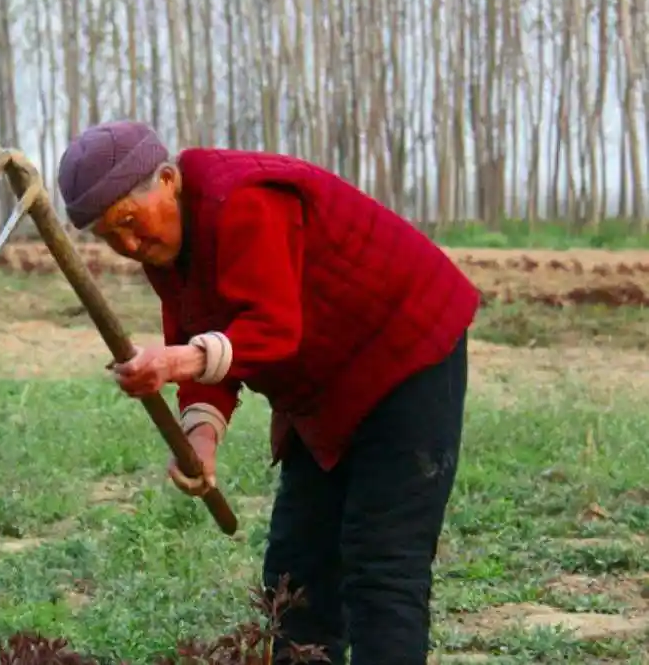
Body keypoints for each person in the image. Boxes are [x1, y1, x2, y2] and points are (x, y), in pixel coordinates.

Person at [56, 120, 480, 665]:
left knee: (382, 565)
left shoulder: (244, 202)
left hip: (406, 352)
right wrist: (201, 436)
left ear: (168, 179)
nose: (130, 245)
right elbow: (201, 336)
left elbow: (272, 330)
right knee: (296, 570)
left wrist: (176, 362)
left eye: (131, 223)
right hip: (321, 385)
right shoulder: (168, 248)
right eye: (111, 238)